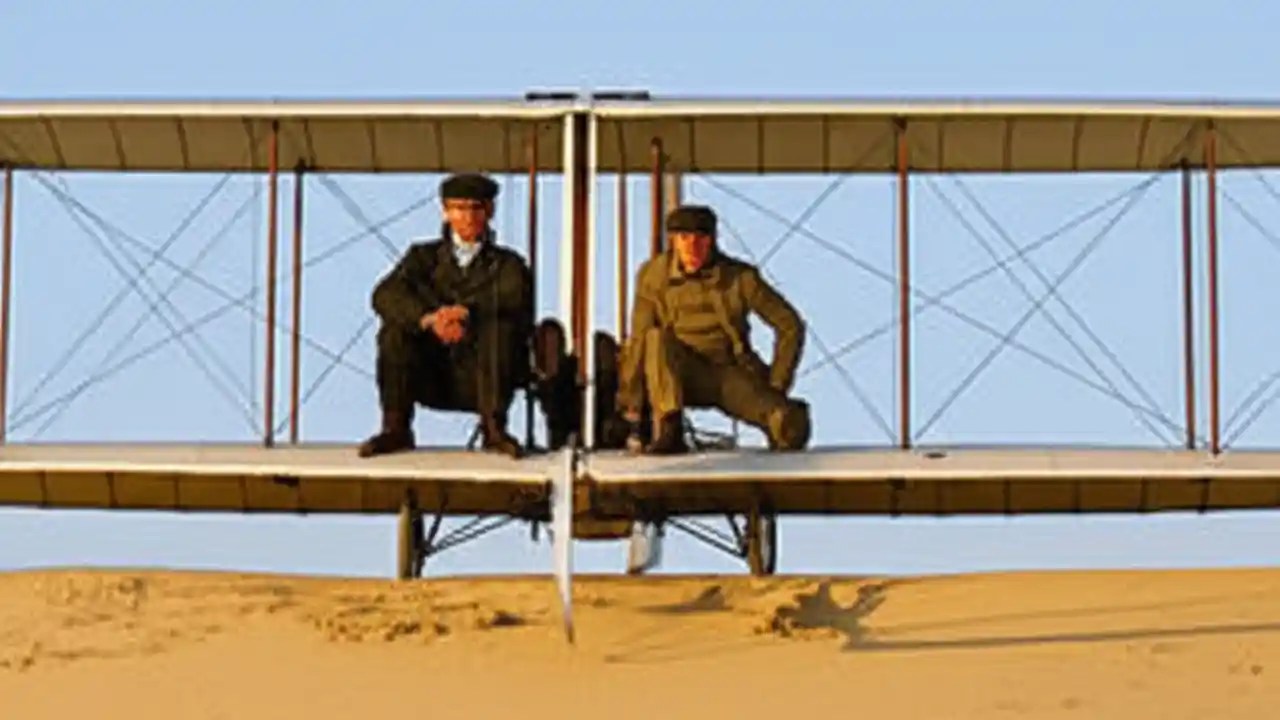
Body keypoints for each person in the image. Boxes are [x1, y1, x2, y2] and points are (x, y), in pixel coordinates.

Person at [358, 172, 532, 459]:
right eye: (458, 208)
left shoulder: (508, 263)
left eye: (475, 208)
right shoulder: (422, 258)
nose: (467, 217)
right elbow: (385, 295)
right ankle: (395, 427)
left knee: (501, 328)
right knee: (394, 331)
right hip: (431, 371)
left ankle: (494, 428)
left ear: (489, 211)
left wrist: (466, 313)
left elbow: (515, 295)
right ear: (445, 211)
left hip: (483, 374)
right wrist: (429, 319)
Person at [618, 204, 812, 454]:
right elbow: (639, 338)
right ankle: (671, 428)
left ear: (712, 240)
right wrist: (629, 403)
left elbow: (789, 325)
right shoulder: (653, 276)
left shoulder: (740, 278)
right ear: (673, 241)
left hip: (728, 372)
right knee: (655, 340)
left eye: (701, 238)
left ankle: (784, 419)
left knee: (788, 429)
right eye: (684, 238)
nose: (692, 247)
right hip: (678, 372)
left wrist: (777, 385)